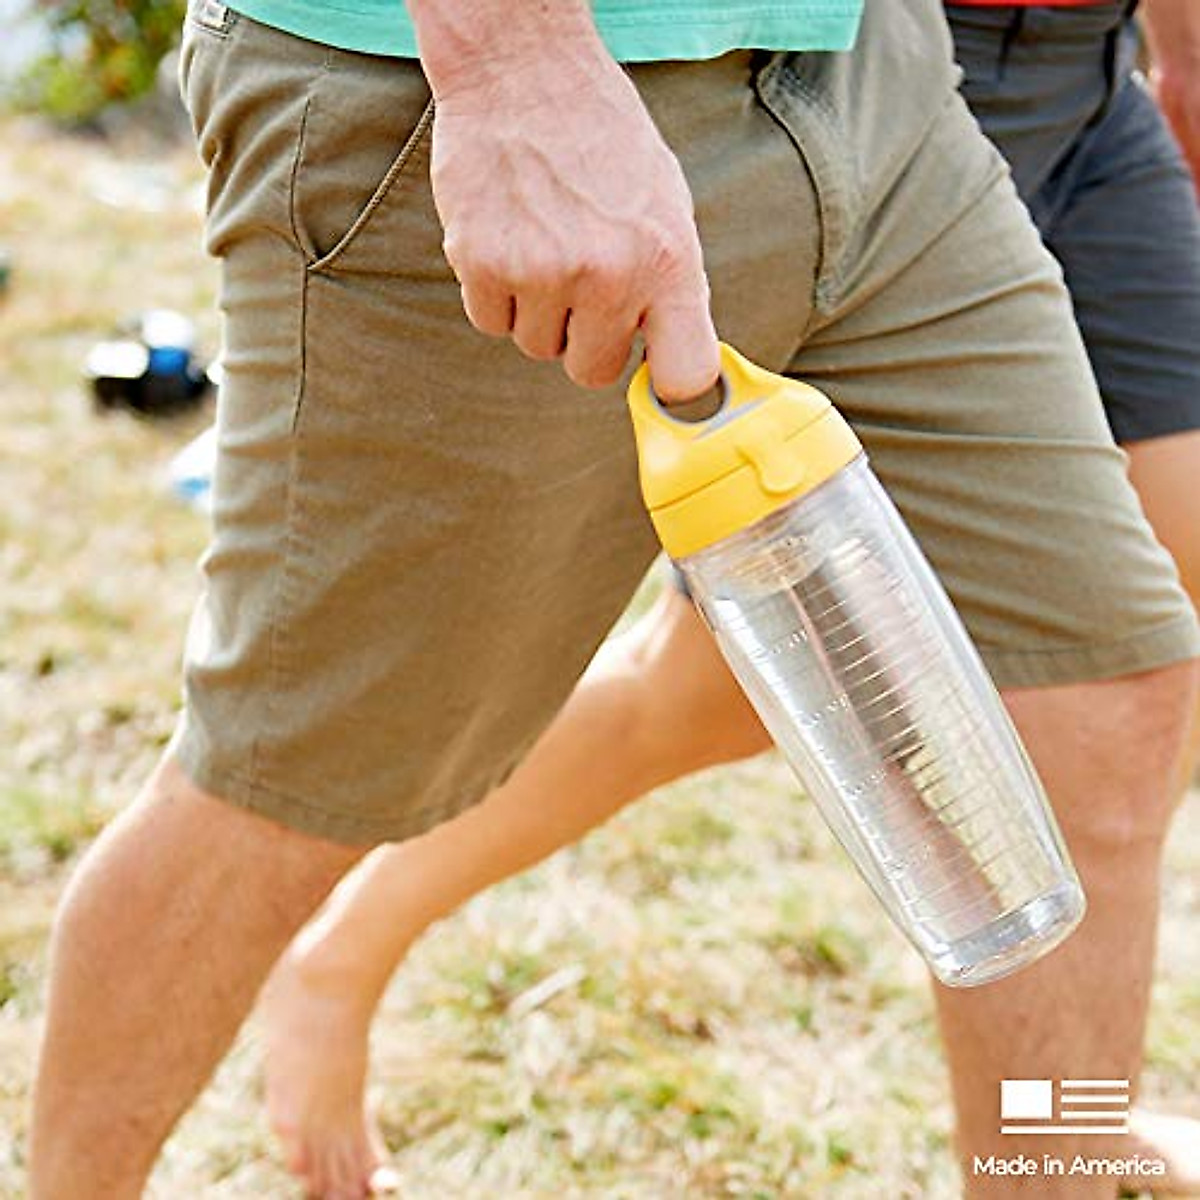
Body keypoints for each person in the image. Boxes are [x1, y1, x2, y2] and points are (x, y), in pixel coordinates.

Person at [27, 0, 1199, 1196]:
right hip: (497, 81)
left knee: (1099, 689)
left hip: (867, 64)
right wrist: (515, 65)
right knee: (292, 787)